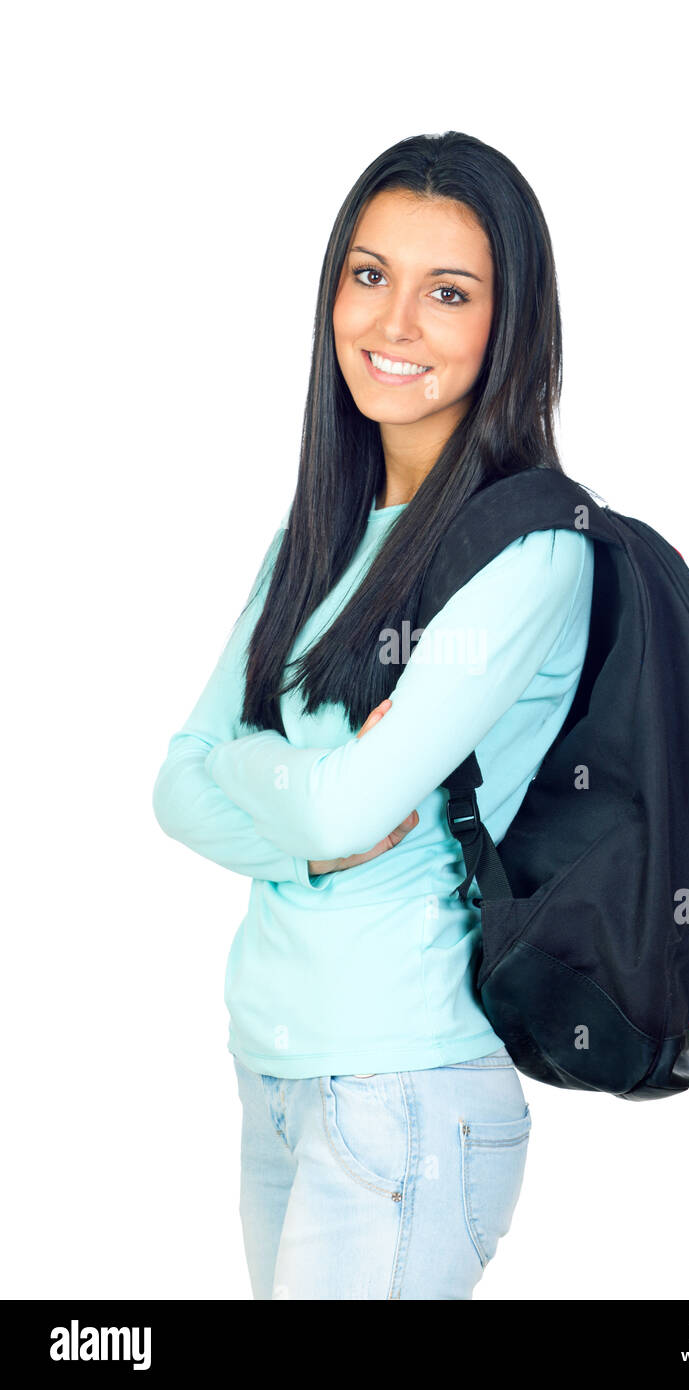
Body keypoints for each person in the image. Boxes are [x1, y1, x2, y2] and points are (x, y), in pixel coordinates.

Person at [152, 130, 595, 1300]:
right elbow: (176, 783)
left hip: (406, 1093)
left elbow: (338, 793)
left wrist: (285, 788)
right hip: (276, 1079)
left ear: (509, 326)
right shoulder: (316, 537)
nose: (392, 325)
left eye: (446, 293)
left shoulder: (530, 548)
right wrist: (312, 825)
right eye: (367, 275)